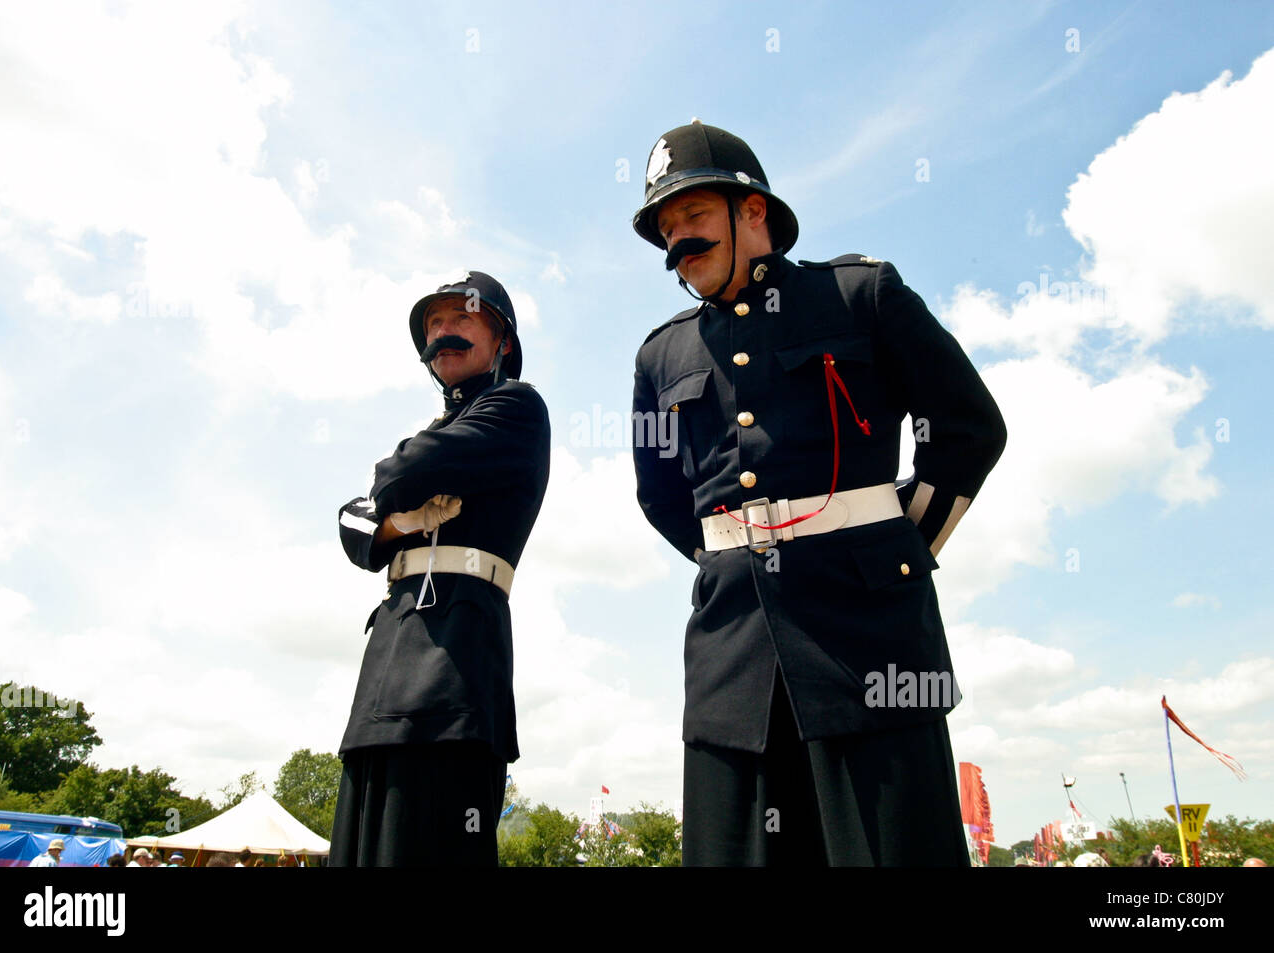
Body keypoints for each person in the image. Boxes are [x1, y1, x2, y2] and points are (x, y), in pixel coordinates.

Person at [630, 121, 1006, 865]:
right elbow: (660, 495)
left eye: (694, 216)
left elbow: (967, 428)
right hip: (730, 661)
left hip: (872, 644)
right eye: (665, 228)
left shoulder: (861, 295)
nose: (678, 241)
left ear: (754, 212)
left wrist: (897, 548)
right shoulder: (658, 354)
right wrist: (734, 567)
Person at [330, 271, 551, 866]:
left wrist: (394, 491)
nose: (443, 333)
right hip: (384, 670)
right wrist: (401, 524)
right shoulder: (432, 432)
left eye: (462, 319)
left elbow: (396, 478)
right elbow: (351, 529)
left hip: (454, 665)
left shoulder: (515, 407)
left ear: (502, 340)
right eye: (434, 323)